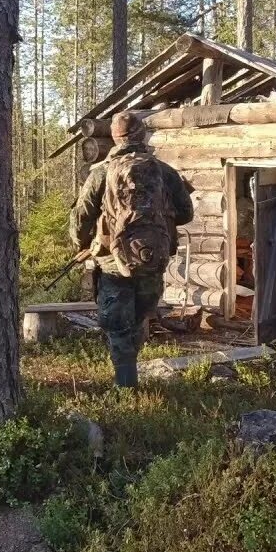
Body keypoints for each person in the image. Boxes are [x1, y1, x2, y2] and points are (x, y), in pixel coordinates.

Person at [70, 112, 193, 387]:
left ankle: (125, 387)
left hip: (113, 262)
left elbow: (81, 217)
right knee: (138, 319)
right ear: (141, 135)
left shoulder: (101, 172)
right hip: (152, 259)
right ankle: (130, 379)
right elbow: (186, 214)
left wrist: (82, 244)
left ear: (114, 137)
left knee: (117, 326)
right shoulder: (165, 172)